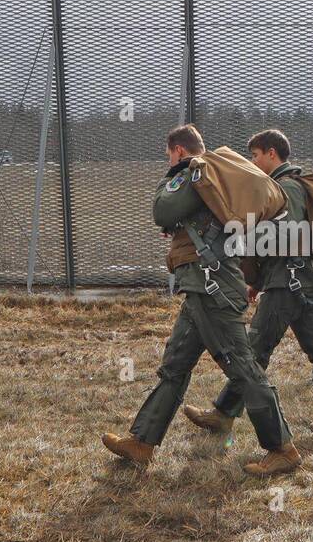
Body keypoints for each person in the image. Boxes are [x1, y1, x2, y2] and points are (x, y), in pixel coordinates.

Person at [100, 124, 302, 476]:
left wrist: (174, 174)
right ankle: (142, 442)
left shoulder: (195, 174)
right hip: (203, 284)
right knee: (176, 364)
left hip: (211, 286)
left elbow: (162, 210)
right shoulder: (211, 179)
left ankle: (282, 448)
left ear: (179, 150)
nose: (169, 160)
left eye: (170, 155)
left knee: (242, 367)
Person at [183, 129, 313, 438]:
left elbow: (285, 236)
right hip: (299, 281)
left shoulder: (285, 187)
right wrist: (260, 281)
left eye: (255, 156)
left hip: (287, 284)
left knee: (254, 349)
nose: (253, 162)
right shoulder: (291, 185)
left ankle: (224, 414)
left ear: (271, 154)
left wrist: (250, 240)